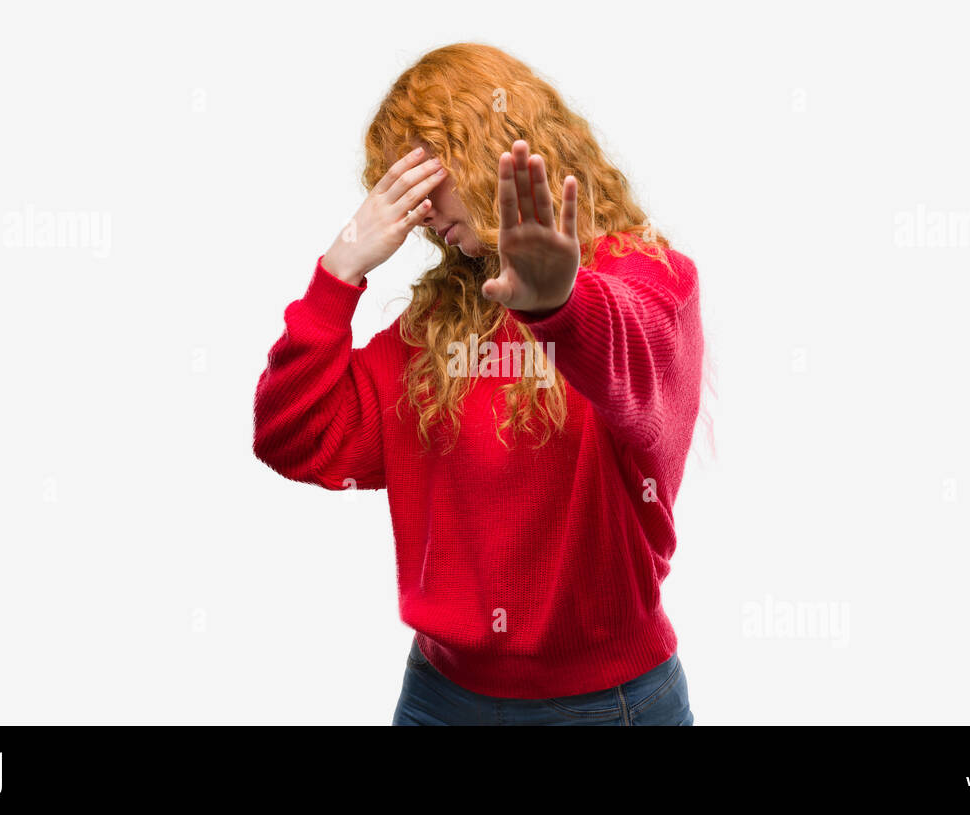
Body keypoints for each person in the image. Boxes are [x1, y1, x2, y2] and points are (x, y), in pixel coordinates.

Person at [253, 43, 703, 725]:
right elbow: (295, 435)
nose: (421, 212)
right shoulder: (442, 317)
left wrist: (559, 305)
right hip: (441, 695)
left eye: (423, 177)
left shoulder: (652, 279)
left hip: (606, 705)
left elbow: (631, 356)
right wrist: (339, 271)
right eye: (396, 186)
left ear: (485, 149)